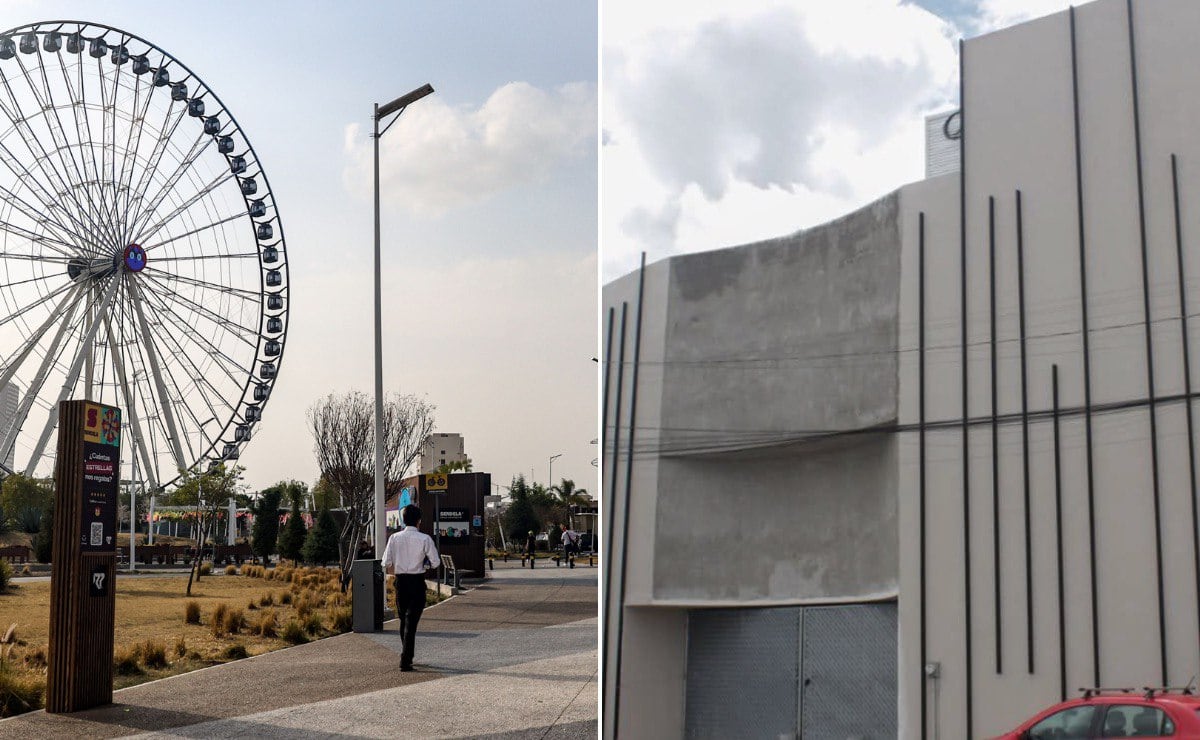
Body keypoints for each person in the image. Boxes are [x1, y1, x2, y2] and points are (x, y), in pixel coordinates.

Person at [381, 505, 438, 671]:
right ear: (419, 521)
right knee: (411, 621)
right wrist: (424, 564)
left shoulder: (394, 538)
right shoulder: (425, 539)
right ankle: (406, 659)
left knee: (404, 620)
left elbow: (386, 562)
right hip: (417, 582)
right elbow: (435, 562)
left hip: (401, 582)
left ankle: (406, 654)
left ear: (403, 520)